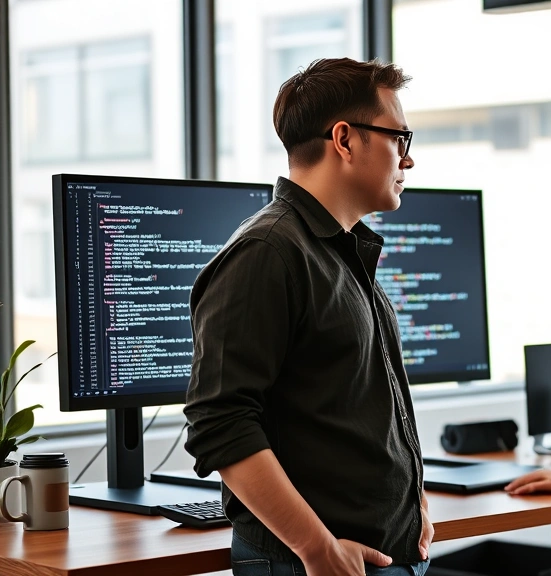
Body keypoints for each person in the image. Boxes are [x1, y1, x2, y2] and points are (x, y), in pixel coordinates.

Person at [184, 58, 427, 576]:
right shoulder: (267, 252)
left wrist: (414, 503)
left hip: (376, 558)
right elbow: (220, 423)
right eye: (400, 138)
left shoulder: (341, 251)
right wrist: (317, 548)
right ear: (345, 139)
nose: (408, 161)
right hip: (310, 566)